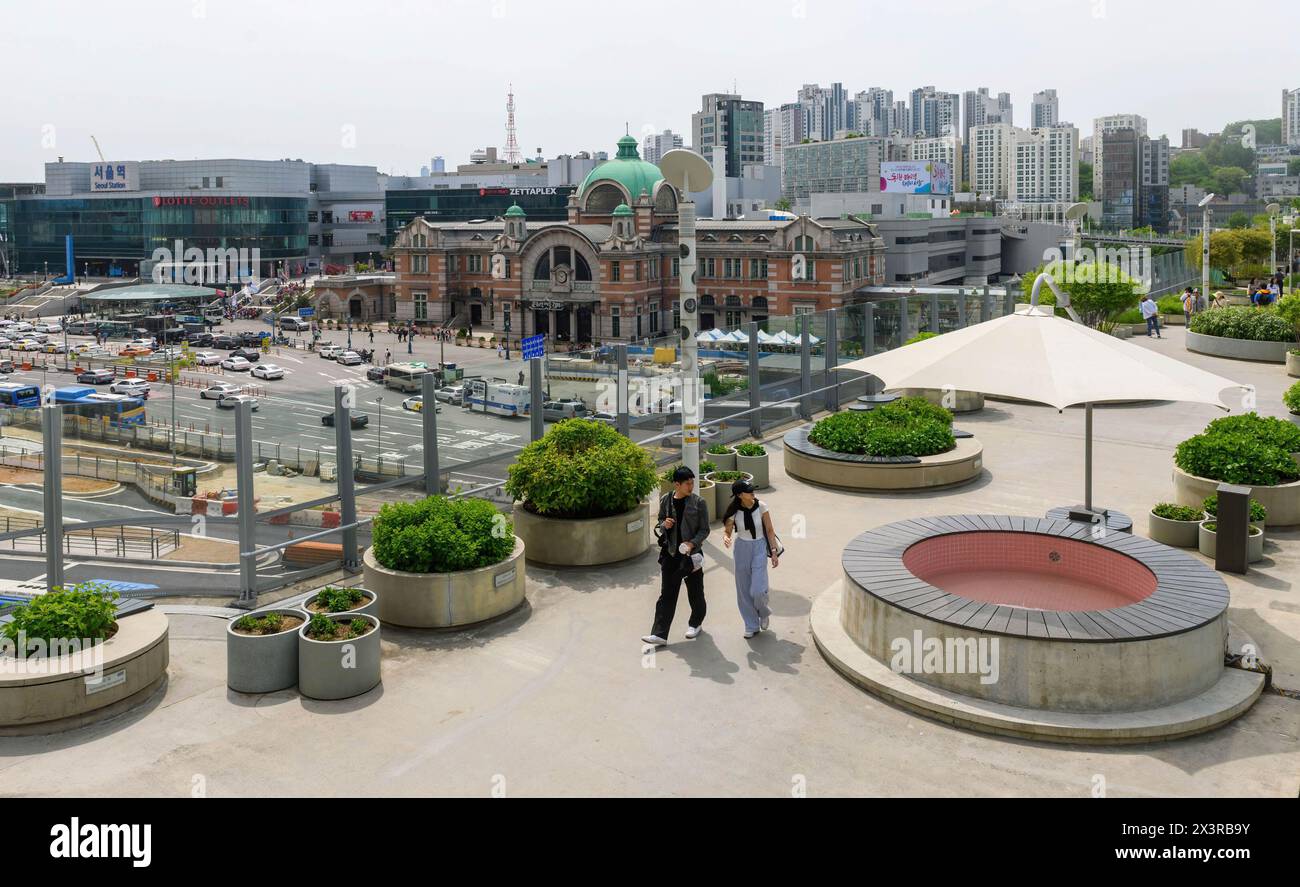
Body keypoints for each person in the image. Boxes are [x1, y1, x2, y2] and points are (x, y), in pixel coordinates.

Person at [643, 467, 710, 647]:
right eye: (687, 483)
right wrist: (664, 524)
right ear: (677, 484)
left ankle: (696, 623)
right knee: (667, 594)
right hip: (670, 554)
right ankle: (659, 634)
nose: (691, 486)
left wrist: (691, 543)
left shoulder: (699, 503)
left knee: (695, 592)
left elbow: (705, 529)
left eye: (692, 482)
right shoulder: (666, 500)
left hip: (691, 555)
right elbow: (659, 522)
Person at [722, 479, 779, 639]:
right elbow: (727, 531)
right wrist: (726, 538)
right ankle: (751, 624)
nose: (752, 492)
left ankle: (764, 612)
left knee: (758, 589)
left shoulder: (762, 506)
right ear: (740, 495)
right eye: (748, 490)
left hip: (759, 547)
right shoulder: (733, 511)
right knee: (743, 590)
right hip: (741, 549)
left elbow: (769, 529)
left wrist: (773, 551)